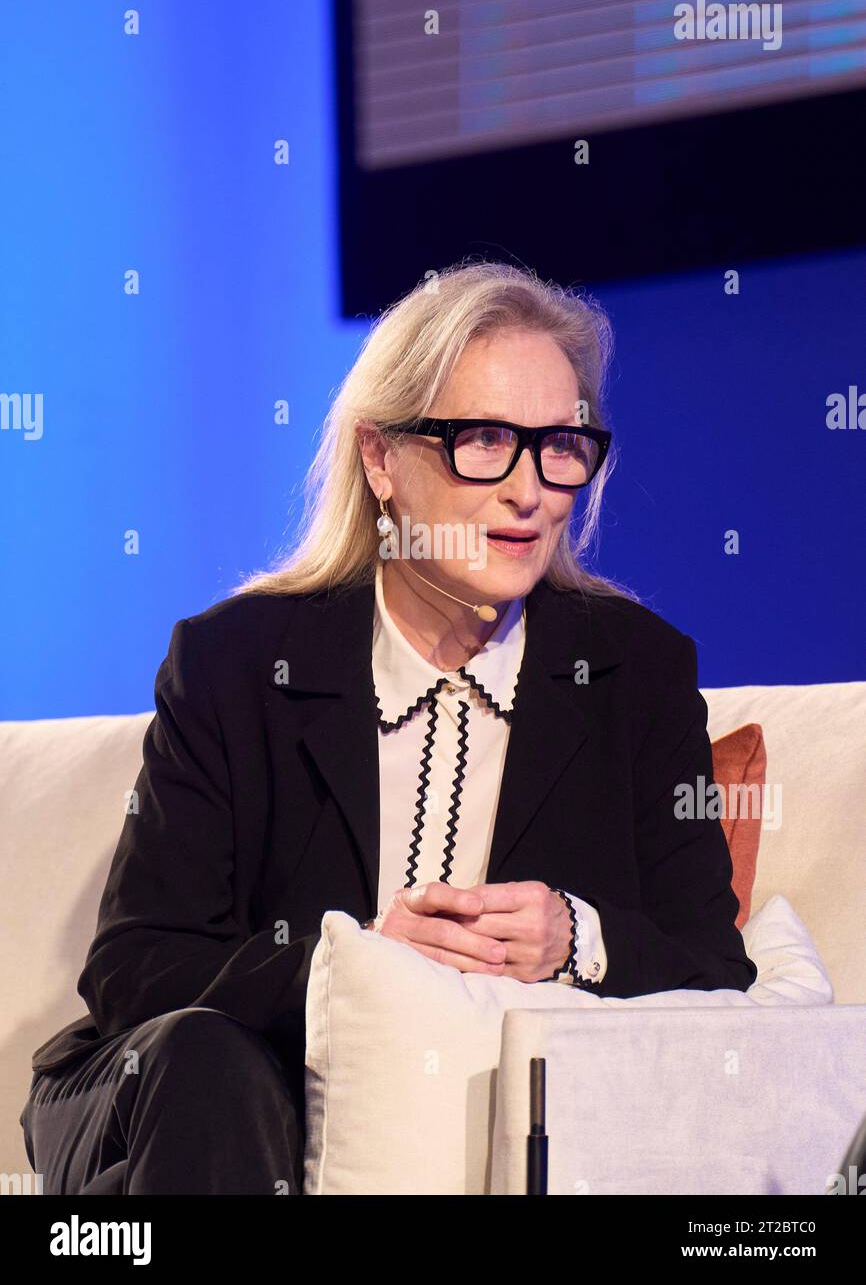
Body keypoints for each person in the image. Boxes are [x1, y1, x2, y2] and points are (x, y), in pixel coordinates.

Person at [20, 260, 757, 1195]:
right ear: (381, 460)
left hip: (458, 1121)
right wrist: (354, 969)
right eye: (484, 440)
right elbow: (136, 968)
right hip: (196, 1100)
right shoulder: (238, 662)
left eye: (560, 446)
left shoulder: (634, 673)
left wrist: (575, 939)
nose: (528, 491)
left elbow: (714, 972)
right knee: (212, 1065)